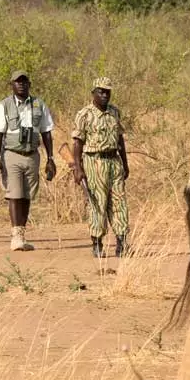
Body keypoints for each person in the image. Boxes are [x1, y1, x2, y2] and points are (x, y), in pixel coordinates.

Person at [0, 70, 54, 251]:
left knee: (27, 196)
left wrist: (51, 158)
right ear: (12, 85)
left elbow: (46, 132)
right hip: (12, 154)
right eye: (18, 82)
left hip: (32, 155)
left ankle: (22, 234)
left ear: (29, 84)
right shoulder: (4, 105)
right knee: (14, 194)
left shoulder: (38, 104)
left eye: (24, 82)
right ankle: (15, 235)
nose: (21, 85)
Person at [70, 77, 130, 258]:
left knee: (120, 202)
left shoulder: (115, 112)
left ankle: (122, 243)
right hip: (94, 161)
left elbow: (120, 139)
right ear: (93, 93)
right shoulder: (84, 114)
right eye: (101, 91)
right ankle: (97, 243)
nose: (104, 95)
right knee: (98, 203)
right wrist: (78, 168)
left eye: (107, 91)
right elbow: (77, 143)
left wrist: (125, 164)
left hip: (114, 161)